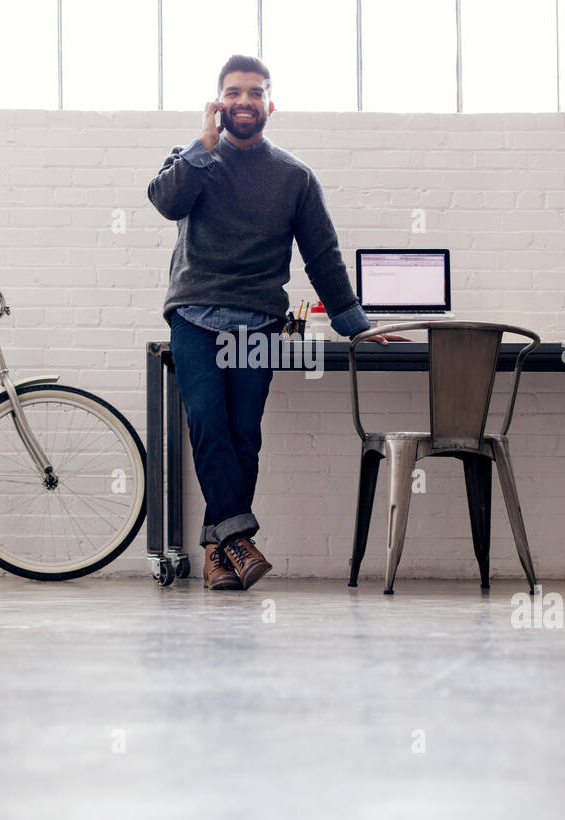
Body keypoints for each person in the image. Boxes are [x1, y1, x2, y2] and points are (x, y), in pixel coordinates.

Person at [148, 53, 393, 592]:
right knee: (207, 424)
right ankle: (240, 540)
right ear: (217, 103)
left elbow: (322, 256)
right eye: (232, 93)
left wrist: (358, 325)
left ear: (269, 105)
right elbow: (166, 203)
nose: (243, 101)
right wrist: (202, 146)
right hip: (193, 317)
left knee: (243, 438)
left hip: (257, 325)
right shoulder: (192, 161)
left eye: (254, 93)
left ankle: (218, 552)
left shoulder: (294, 177)